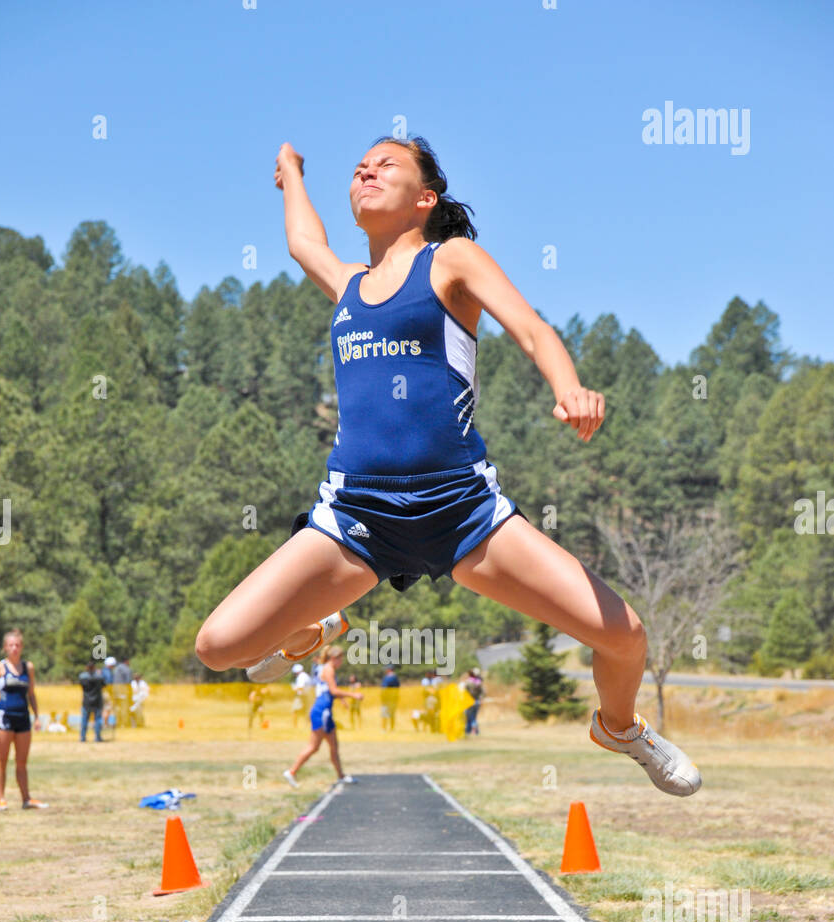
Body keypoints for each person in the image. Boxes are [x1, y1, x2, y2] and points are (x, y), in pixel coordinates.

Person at [193, 135, 700, 797]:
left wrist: (567, 387)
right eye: (359, 167)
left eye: (386, 164)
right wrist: (289, 174)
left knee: (625, 637)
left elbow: (531, 329)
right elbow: (302, 244)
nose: (366, 169)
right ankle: (318, 623)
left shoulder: (449, 260)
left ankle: (620, 727)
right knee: (218, 646)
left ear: (424, 199)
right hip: (355, 517)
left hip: (464, 513)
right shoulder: (348, 286)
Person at [282, 645, 362, 788]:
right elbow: (333, 690)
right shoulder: (328, 669)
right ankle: (291, 771)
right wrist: (353, 695)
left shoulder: (326, 669)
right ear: (334, 658)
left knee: (333, 746)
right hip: (321, 711)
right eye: (340, 659)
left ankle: (341, 776)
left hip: (324, 711)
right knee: (314, 747)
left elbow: (329, 691)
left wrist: (342, 699)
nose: (341, 662)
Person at [0, 628, 47, 809]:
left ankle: (26, 799)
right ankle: (1, 798)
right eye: (11, 645)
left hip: (23, 717)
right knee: (2, 759)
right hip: (4, 718)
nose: (14, 648)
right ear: (5, 647)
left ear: (22, 647)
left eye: (17, 645)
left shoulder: (28, 667)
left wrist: (36, 716)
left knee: (22, 761)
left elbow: (31, 694)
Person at [78, 658, 106, 743]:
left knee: (84, 720)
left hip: (86, 702)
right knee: (97, 720)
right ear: (94, 667)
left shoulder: (82, 677)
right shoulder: (99, 677)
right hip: (97, 702)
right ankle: (97, 737)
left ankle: (83, 737)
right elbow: (104, 684)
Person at [290, 662, 312, 729]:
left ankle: (295, 727)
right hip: (307, 696)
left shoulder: (301, 677)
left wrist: (294, 689)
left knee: (294, 710)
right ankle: (308, 726)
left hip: (301, 696)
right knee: (306, 711)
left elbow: (301, 687)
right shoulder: (305, 675)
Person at [379, 665, 400, 731]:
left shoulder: (390, 677)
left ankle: (385, 728)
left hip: (388, 699)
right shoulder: (394, 677)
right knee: (391, 714)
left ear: (389, 669)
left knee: (386, 714)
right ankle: (391, 728)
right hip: (391, 699)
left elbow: (384, 688)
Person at [464, 667, 484, 735]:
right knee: (473, 716)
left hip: (470, 701)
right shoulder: (479, 682)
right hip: (477, 701)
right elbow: (482, 692)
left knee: (470, 716)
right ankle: (470, 730)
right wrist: (481, 700)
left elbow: (464, 692)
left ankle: (472, 730)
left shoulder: (468, 682)